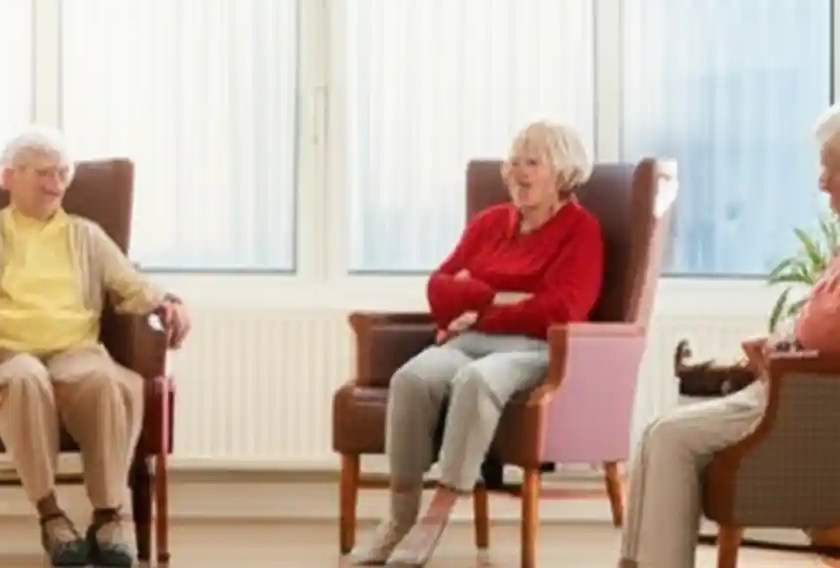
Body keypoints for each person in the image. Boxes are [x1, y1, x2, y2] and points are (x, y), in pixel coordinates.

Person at [0, 126, 192, 568]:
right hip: (5, 354)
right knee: (26, 379)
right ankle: (51, 516)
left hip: (76, 352)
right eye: (44, 173)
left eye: (64, 173)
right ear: (9, 177)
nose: (57, 183)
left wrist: (167, 300)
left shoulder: (86, 235)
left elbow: (131, 286)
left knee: (105, 381)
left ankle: (107, 516)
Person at [350, 120, 605, 567]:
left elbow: (563, 308)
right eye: (513, 162)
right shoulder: (490, 223)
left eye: (532, 162)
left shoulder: (581, 230)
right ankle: (399, 518)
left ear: (562, 172)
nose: (517, 173)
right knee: (410, 378)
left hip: (535, 348)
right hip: (470, 338)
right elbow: (439, 287)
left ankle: (437, 516)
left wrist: (480, 303)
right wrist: (500, 299)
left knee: (476, 379)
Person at [618, 105, 840, 568]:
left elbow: (830, 333)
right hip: (790, 385)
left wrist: (786, 351)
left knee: (667, 440)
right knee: (661, 435)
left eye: (829, 167)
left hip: (803, 398)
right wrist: (785, 341)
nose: (820, 181)